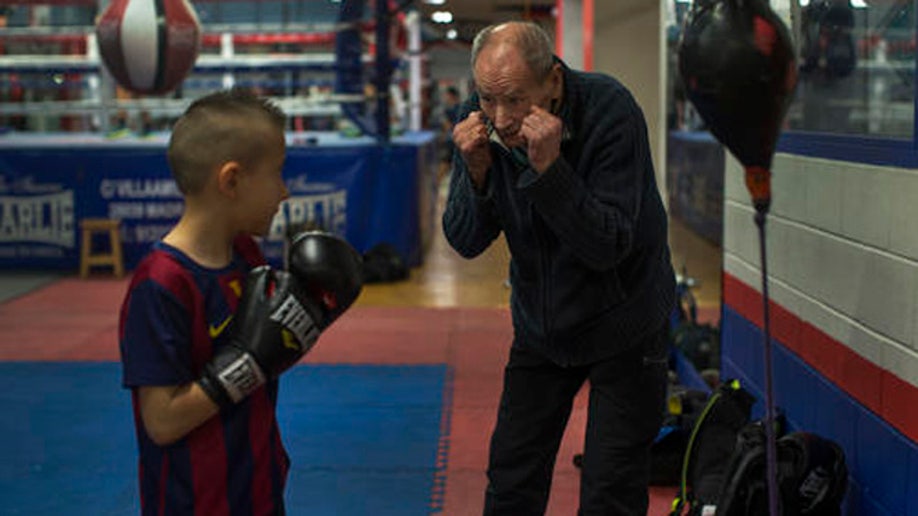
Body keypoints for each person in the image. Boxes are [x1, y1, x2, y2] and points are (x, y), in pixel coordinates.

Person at [442, 21, 676, 515]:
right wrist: (476, 175)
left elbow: (609, 244)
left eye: (514, 100)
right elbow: (465, 241)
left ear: (552, 80)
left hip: (626, 322)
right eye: (487, 98)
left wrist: (550, 171)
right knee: (511, 477)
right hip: (542, 325)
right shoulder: (477, 122)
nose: (501, 118)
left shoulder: (610, 111)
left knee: (610, 489)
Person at [118, 88, 362, 515]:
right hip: (194, 504)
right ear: (231, 180)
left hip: (259, 490)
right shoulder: (162, 284)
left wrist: (310, 317)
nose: (284, 192)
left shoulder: (246, 256)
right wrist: (247, 363)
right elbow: (161, 421)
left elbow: (269, 350)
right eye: (277, 174)